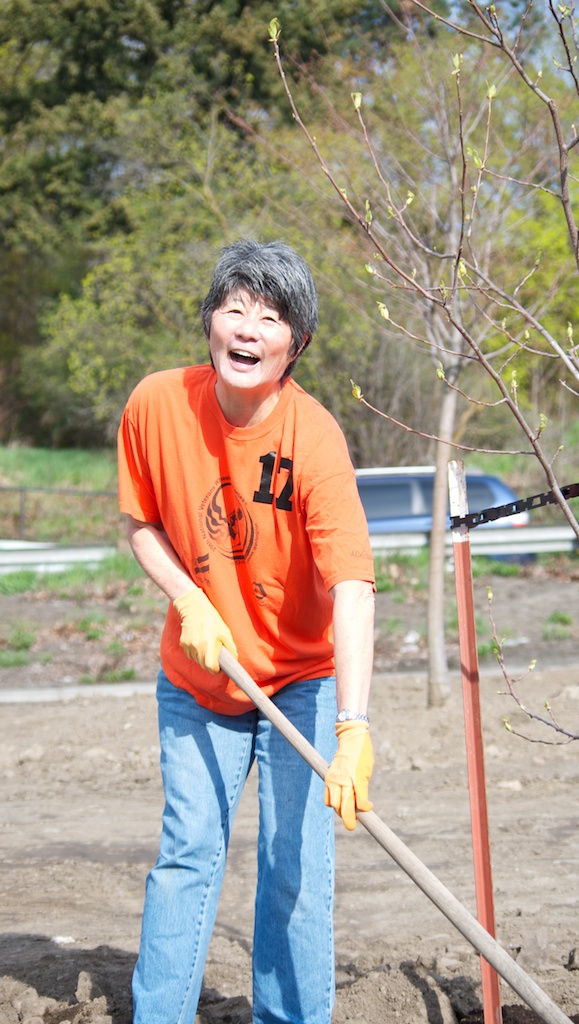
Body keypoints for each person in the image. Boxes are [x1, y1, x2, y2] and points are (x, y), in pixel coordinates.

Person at [117, 238, 376, 1024]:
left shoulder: (316, 439)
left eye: (270, 316)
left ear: (295, 345)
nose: (248, 328)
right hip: (202, 682)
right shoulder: (157, 404)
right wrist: (188, 599)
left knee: (293, 866)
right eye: (234, 308)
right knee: (188, 856)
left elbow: (353, 586)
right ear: (210, 323)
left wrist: (354, 727)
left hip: (302, 678)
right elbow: (140, 522)